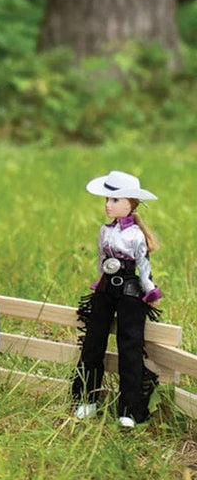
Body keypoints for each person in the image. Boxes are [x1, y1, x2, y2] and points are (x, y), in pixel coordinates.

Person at [72, 171, 161, 428]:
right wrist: (99, 281)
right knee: (93, 342)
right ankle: (87, 398)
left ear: (130, 203)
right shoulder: (105, 230)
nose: (108, 205)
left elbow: (144, 266)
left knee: (130, 348)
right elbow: (101, 259)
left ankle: (130, 409)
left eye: (114, 200)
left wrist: (151, 291)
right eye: (107, 200)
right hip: (105, 289)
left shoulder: (135, 235)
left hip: (130, 291)